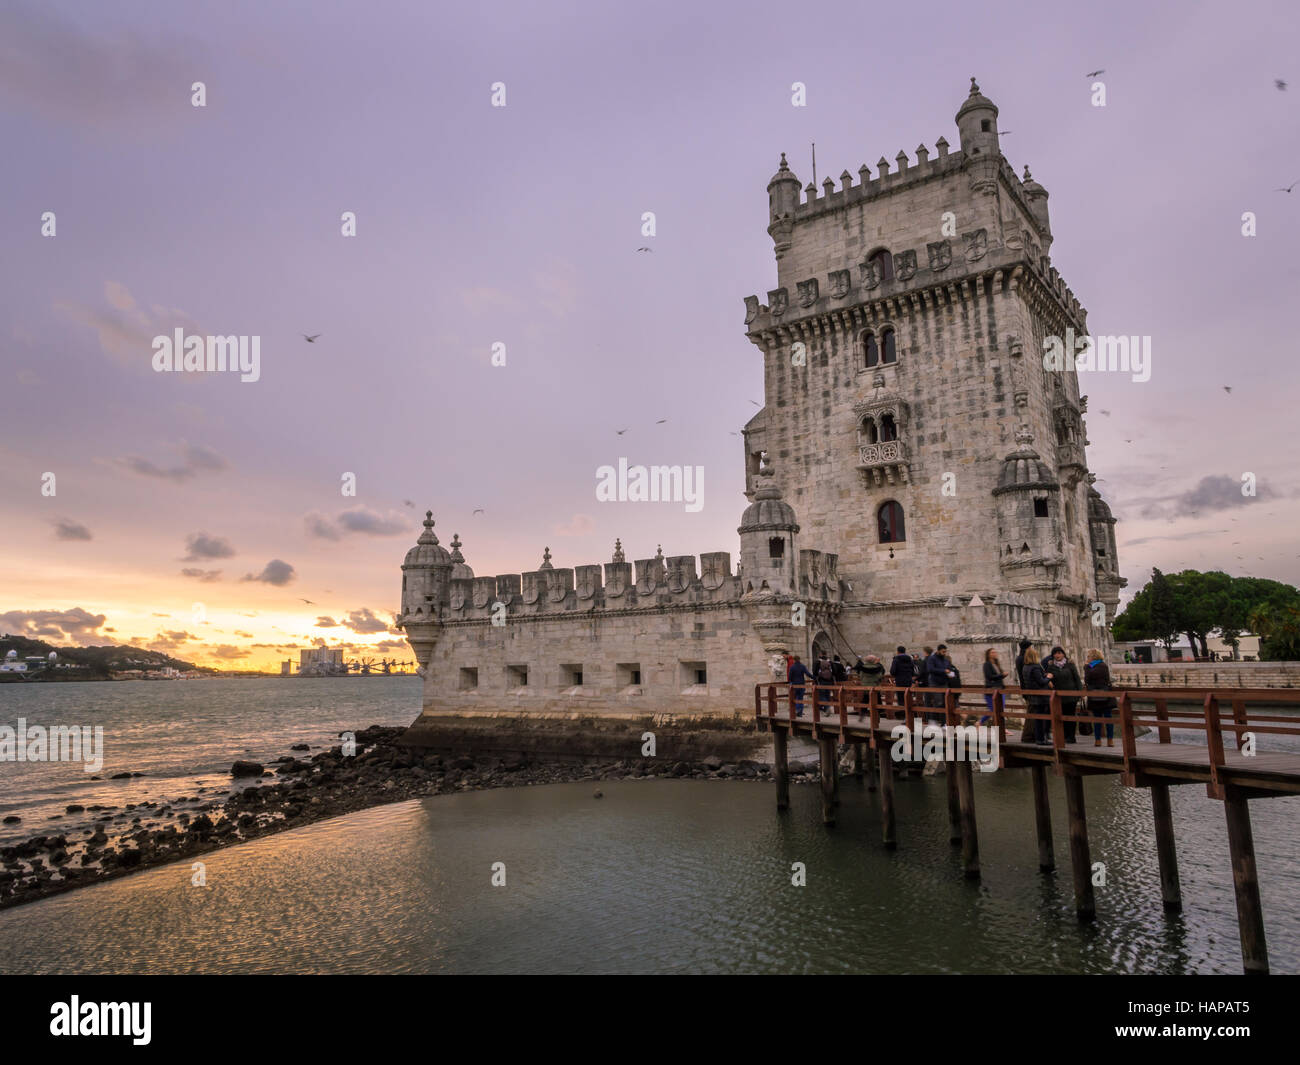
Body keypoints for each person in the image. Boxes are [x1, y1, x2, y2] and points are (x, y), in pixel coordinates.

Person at [1045, 646, 1083, 743]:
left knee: (1071, 716)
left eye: (1059, 653)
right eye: (1055, 653)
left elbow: (1077, 679)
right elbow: (1048, 678)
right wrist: (1049, 681)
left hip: (1071, 695)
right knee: (1061, 716)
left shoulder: (1070, 665)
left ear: (1063, 654)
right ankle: (1065, 736)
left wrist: (1080, 692)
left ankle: (1071, 736)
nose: (1057, 655)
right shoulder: (1051, 666)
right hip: (1059, 696)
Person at [1083, 648, 1116, 747]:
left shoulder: (1101, 666)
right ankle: (1099, 740)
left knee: (1106, 718)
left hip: (1101, 695)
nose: (1087, 658)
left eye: (1088, 656)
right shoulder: (1096, 666)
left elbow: (1088, 678)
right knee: (1099, 719)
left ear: (1093, 657)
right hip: (1099, 695)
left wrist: (1086, 667)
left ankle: (1108, 739)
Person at [1022, 648, 1053, 745]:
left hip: (1032, 696)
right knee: (1041, 718)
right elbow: (1041, 682)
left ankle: (1039, 738)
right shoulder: (1035, 667)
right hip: (1040, 696)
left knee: (1037, 718)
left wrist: (1043, 676)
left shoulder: (1025, 667)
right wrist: (1048, 677)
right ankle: (1041, 739)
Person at [981, 648, 1007, 725]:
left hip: (1000, 689)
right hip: (991, 690)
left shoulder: (996, 664)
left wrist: (1003, 675)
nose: (994, 653)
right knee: (993, 709)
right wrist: (1002, 675)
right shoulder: (986, 664)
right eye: (992, 652)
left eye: (995, 652)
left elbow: (999, 676)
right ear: (988, 655)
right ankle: (980, 722)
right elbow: (989, 676)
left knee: (1001, 709)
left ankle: (1001, 727)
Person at [889, 645, 914, 712]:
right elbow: (913, 670)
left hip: (900, 680)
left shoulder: (896, 659)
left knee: (901, 697)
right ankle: (910, 713)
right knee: (908, 696)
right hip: (908, 680)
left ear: (898, 651)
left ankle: (903, 713)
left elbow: (892, 671)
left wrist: (896, 675)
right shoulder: (910, 659)